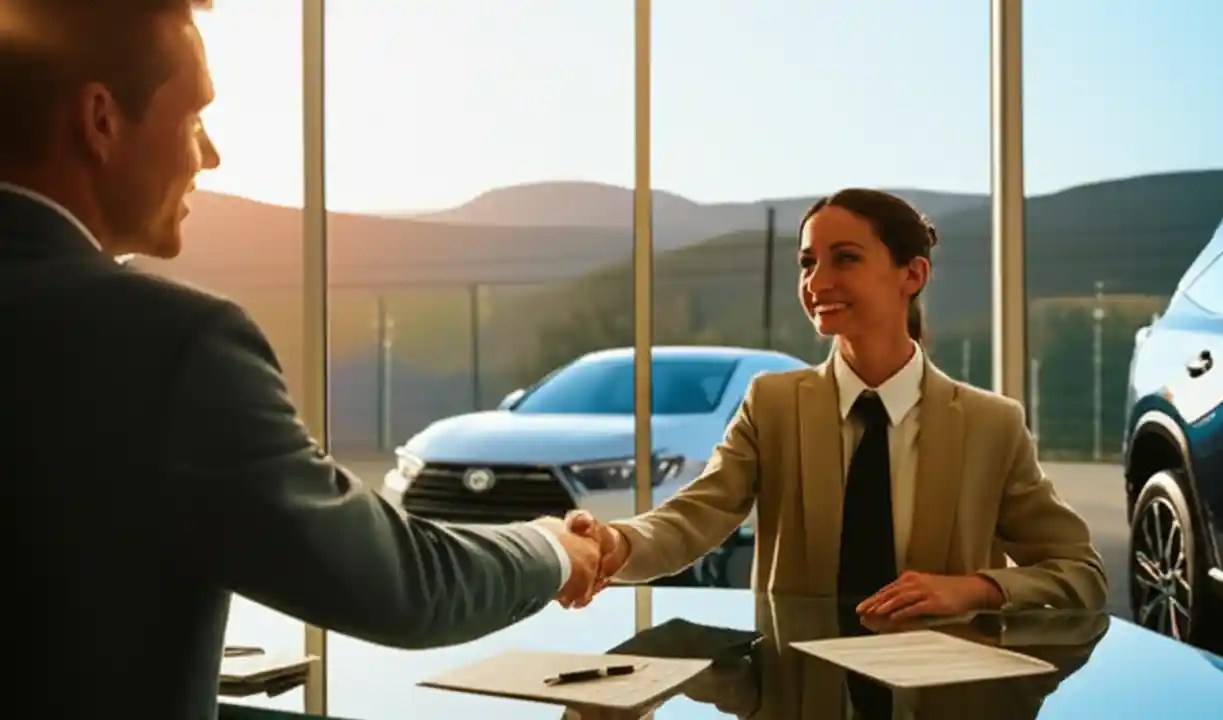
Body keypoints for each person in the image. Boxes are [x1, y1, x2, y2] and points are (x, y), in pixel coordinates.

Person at [0, 2, 600, 718]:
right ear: (100, 119)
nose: (211, 155)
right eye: (194, 118)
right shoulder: (168, 344)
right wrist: (551, 547)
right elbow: (405, 587)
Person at [566, 187, 1109, 617]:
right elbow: (695, 516)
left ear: (912, 275)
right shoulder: (773, 404)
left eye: (844, 258)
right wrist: (617, 542)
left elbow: (1078, 572)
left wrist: (977, 589)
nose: (817, 281)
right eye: (807, 263)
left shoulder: (993, 425)